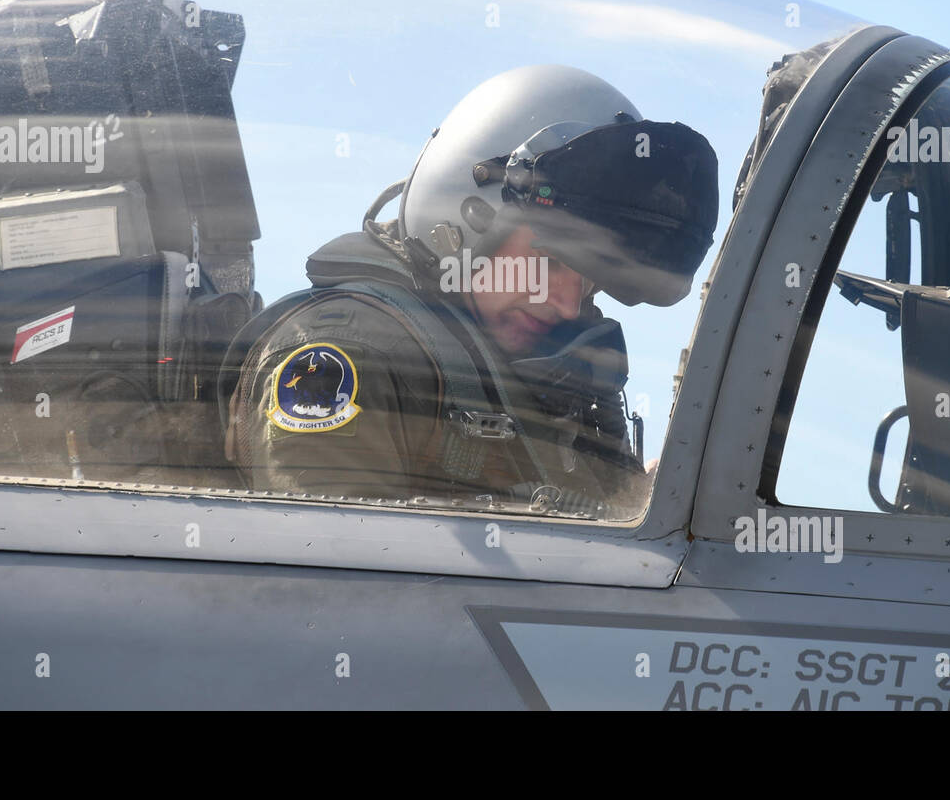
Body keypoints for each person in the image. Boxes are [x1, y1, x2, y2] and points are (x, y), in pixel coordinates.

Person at [222, 65, 718, 519]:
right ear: (460, 220)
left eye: (588, 279)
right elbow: (338, 590)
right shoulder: (352, 356)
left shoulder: (549, 379)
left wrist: (643, 508)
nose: (568, 303)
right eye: (547, 262)